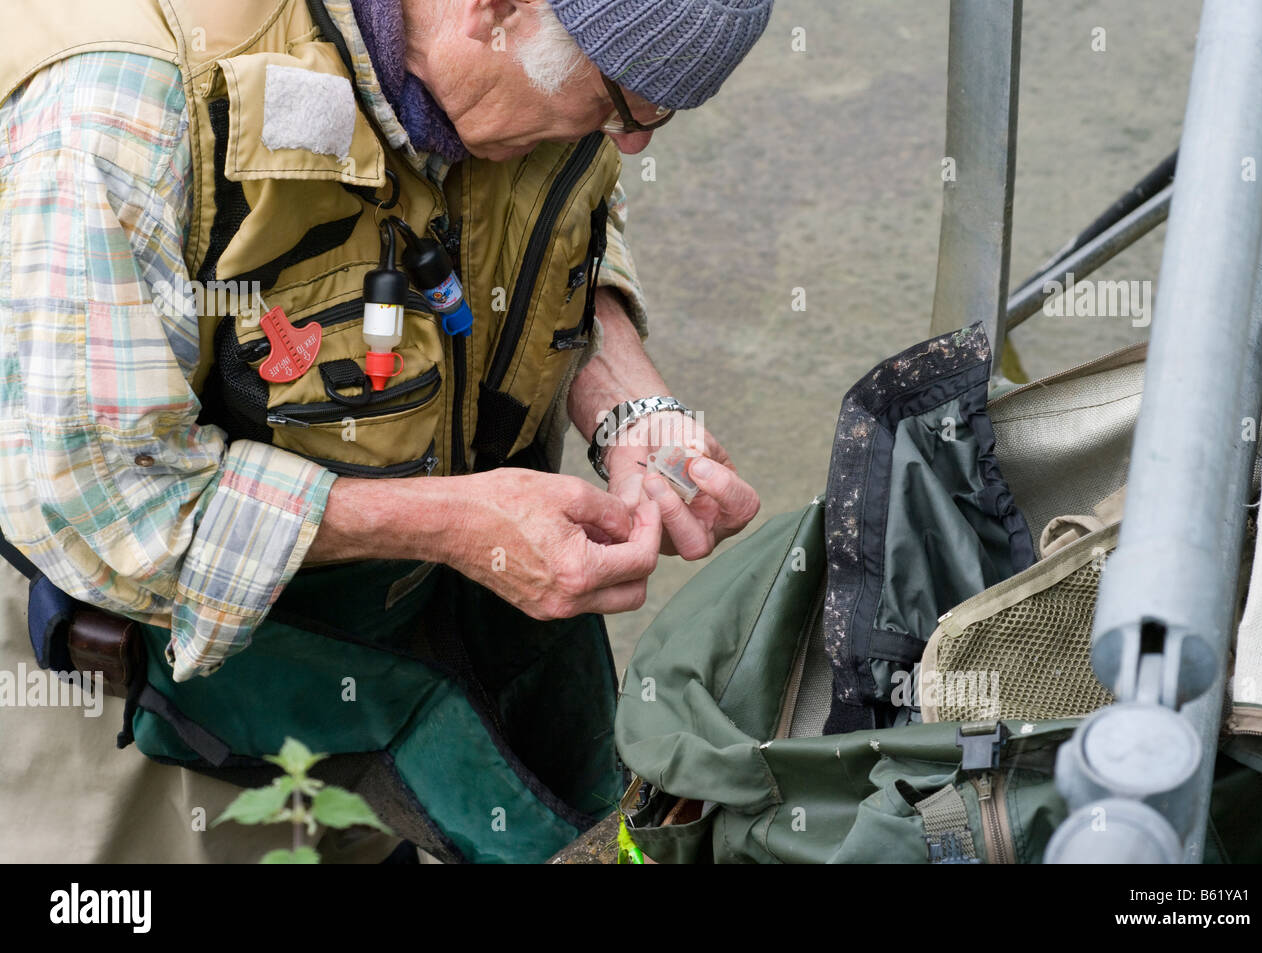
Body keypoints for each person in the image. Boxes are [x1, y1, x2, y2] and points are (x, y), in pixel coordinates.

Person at [0, 0, 769, 862]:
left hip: (386, 674)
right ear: (496, 10)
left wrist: (633, 410)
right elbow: (108, 504)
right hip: (151, 712)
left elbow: (566, 223)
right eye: (623, 104)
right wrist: (453, 525)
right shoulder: (125, 102)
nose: (632, 144)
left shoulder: (528, 73)